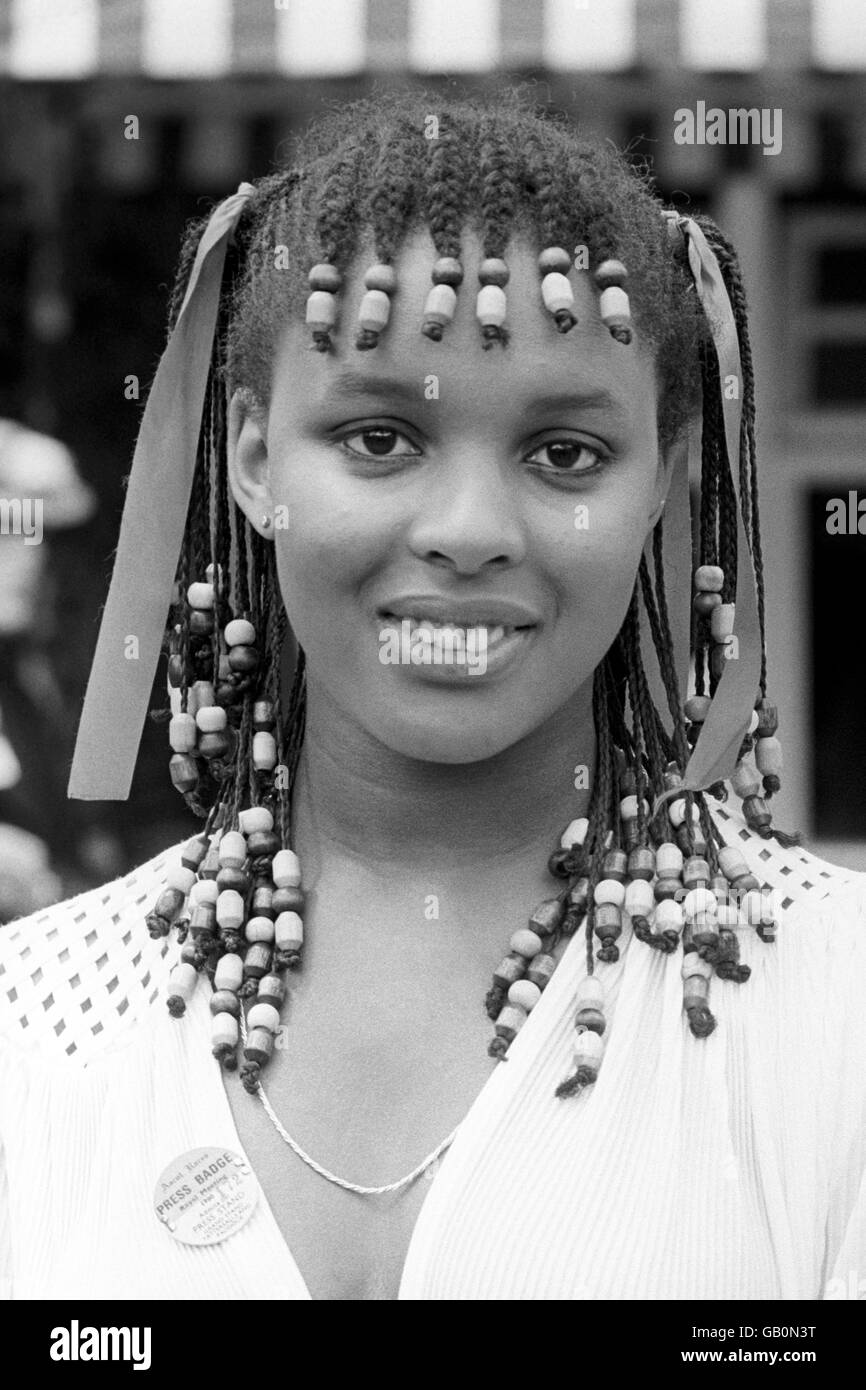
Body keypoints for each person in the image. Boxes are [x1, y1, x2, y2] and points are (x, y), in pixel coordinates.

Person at [1, 91, 865, 1303]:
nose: (467, 532)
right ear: (255, 458)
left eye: (563, 453)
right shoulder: (38, 1019)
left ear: (665, 479)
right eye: (377, 438)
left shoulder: (838, 1010)